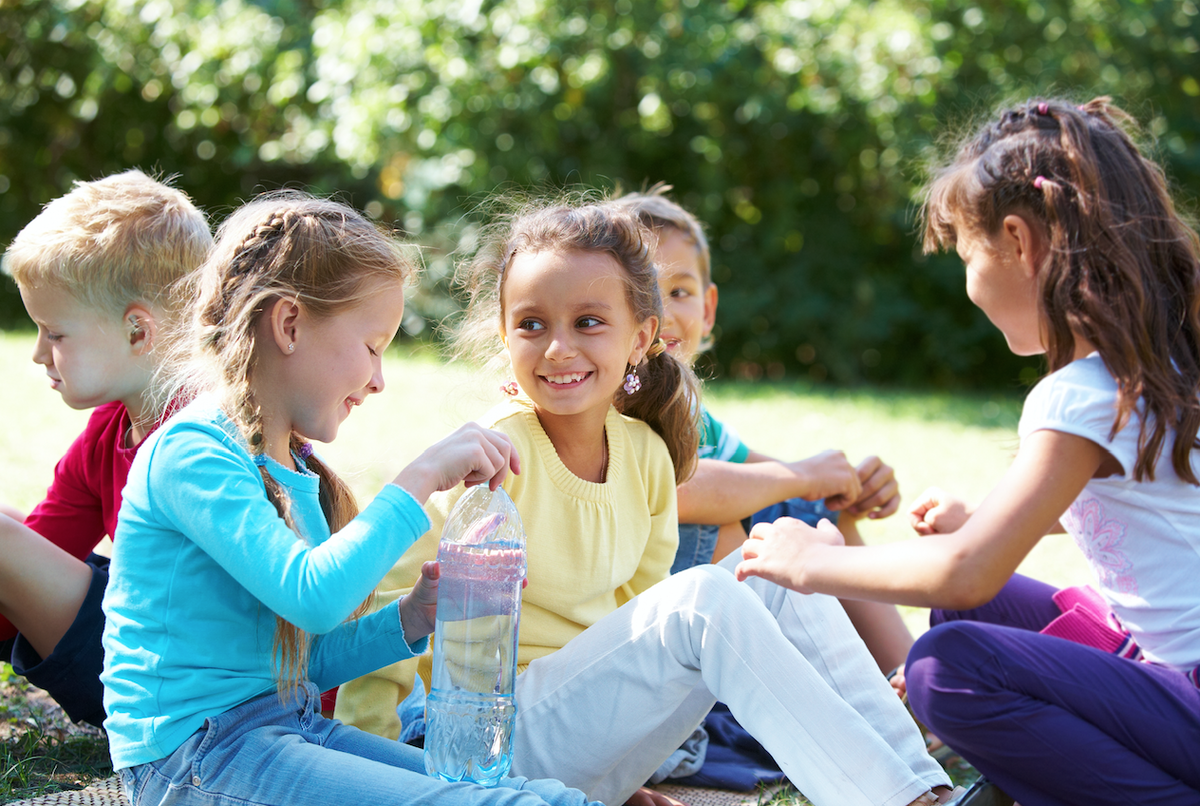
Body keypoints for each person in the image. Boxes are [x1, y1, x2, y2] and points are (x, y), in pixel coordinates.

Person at [337, 198, 952, 806]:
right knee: (703, 599)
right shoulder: (490, 458)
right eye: (531, 324)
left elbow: (627, 631)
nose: (557, 348)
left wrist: (621, 776)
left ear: (641, 338)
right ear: (505, 335)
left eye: (588, 322)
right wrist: (375, 775)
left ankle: (922, 786)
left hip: (569, 741)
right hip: (469, 748)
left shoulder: (646, 457)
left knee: (776, 570)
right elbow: (391, 602)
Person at [735, 97, 1200, 804]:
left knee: (946, 667)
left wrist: (813, 563)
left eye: (965, 255)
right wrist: (983, 518)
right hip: (1165, 676)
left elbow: (966, 572)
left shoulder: (1080, 394)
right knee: (968, 624)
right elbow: (1140, 500)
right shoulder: (1165, 364)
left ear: (1016, 240)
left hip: (1182, 691)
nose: (967, 283)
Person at [99, 192, 602, 806]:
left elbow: (301, 664)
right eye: (372, 346)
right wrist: (418, 479)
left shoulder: (290, 468)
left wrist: (414, 615)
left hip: (284, 728)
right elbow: (312, 598)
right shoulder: (192, 454)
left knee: (539, 796)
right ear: (289, 325)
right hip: (192, 759)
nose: (379, 378)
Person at [614, 184, 914, 673]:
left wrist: (844, 487)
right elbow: (674, 491)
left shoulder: (689, 414)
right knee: (726, 519)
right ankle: (813, 697)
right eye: (642, 292)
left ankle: (909, 685)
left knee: (815, 514)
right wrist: (801, 477)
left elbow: (770, 474)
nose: (663, 312)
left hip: (696, 608)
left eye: (679, 292)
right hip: (641, 624)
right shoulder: (607, 400)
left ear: (707, 311)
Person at [0, 169, 211, 728]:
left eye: (56, 333)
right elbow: (45, 545)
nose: (40, 353)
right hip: (137, 644)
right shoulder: (111, 428)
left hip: (182, 688)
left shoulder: (214, 436)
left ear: (138, 331)